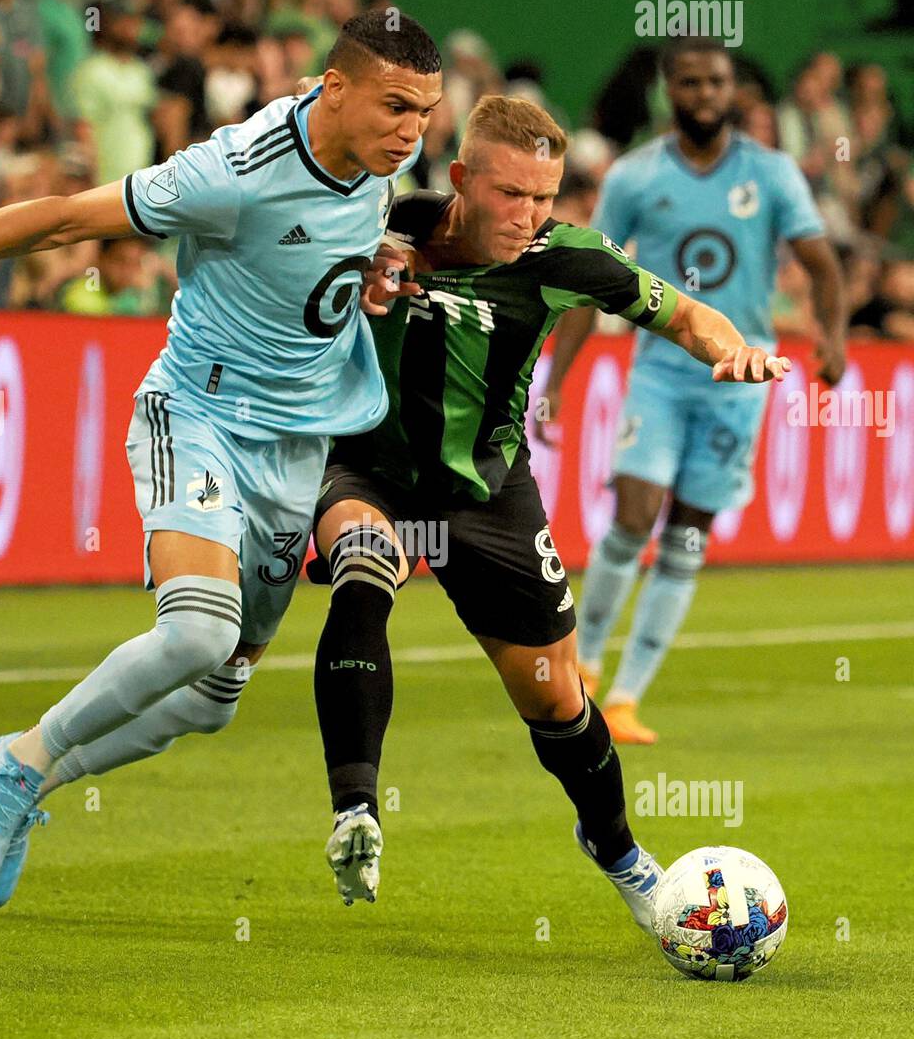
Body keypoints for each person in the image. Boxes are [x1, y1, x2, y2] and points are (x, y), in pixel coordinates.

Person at [0, 9, 443, 909]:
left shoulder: (376, 156)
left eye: (426, 112)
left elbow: (328, 237)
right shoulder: (231, 174)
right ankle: (23, 764)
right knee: (198, 630)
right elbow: (65, 220)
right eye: (397, 107)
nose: (413, 132)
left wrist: (370, 263)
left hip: (297, 447)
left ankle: (36, 780)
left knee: (215, 698)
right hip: (200, 412)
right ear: (334, 89)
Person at [308, 93, 789, 920]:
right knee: (362, 562)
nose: (530, 214)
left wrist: (731, 351)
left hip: (487, 495)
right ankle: (356, 810)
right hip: (368, 472)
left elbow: (681, 312)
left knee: (556, 698)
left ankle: (617, 849)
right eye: (511, 194)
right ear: (462, 178)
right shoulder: (382, 221)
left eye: (545, 197)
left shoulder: (565, 258)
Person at [539, 38, 845, 744]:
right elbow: (593, 279)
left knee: (686, 535)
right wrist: (557, 378)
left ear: (733, 89)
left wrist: (831, 337)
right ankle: (582, 665)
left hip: (742, 379)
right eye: (690, 82)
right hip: (662, 373)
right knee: (634, 512)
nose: (704, 94)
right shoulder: (636, 177)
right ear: (667, 91)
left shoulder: (771, 174)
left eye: (716, 82)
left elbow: (822, 265)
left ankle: (626, 699)